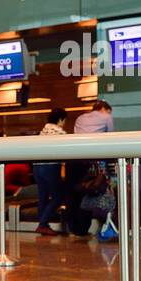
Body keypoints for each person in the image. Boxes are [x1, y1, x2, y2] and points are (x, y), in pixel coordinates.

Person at [65, 100, 114, 236]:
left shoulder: (80, 118)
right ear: (104, 108)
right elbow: (111, 138)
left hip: (73, 159)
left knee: (73, 193)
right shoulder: (107, 117)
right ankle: (83, 228)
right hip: (89, 162)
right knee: (88, 192)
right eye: (109, 111)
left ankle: (73, 227)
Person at [32, 108, 68, 235]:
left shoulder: (42, 132)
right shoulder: (60, 133)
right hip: (51, 167)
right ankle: (42, 224)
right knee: (57, 197)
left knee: (43, 197)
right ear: (60, 119)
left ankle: (43, 225)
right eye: (64, 120)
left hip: (37, 167)